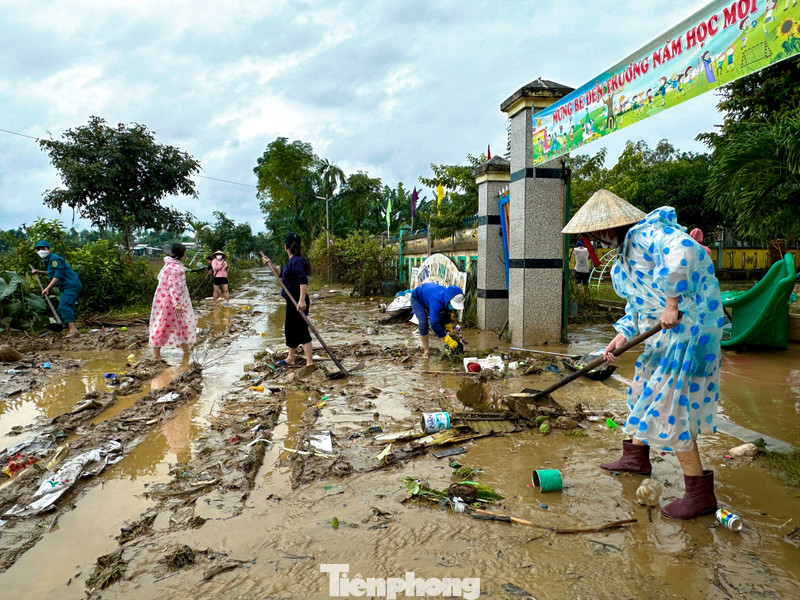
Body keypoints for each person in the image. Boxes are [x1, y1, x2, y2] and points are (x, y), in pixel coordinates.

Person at [562, 190, 724, 520]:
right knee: (643, 390)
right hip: (663, 337)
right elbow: (637, 308)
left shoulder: (649, 233)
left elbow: (683, 251)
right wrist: (620, 338)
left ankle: (699, 493)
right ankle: (635, 457)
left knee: (670, 407)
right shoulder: (623, 258)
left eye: (596, 235)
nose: (596, 240)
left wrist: (671, 304)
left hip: (686, 332)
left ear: (608, 230)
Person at [261, 233, 313, 367]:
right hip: (292, 301)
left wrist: (301, 301)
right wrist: (270, 264)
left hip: (297, 301)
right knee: (290, 330)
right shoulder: (293, 261)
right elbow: (281, 274)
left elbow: (303, 281)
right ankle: (290, 358)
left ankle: (309, 362)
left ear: (286, 247)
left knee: (302, 330)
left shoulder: (295, 261)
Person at [149, 243, 197, 360]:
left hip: (163, 300)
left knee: (177, 324)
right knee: (166, 325)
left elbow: (160, 278)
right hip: (173, 303)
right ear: (183, 254)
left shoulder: (168, 265)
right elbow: (175, 287)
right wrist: (178, 303)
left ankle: (186, 351)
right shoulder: (176, 268)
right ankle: (156, 355)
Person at [31, 240, 82, 337]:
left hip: (71, 285)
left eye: (43, 248)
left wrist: (47, 288)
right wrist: (38, 272)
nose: (41, 251)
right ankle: (69, 330)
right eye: (38, 249)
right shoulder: (49, 261)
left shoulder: (55, 259)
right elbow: (52, 273)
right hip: (67, 286)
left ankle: (74, 331)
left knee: (64, 306)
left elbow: (58, 275)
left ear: (48, 249)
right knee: (61, 309)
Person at [409, 282, 465, 357]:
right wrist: (447, 339)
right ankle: (426, 351)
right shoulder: (436, 302)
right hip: (417, 298)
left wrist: (450, 330)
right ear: (449, 300)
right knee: (423, 322)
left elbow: (446, 314)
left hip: (429, 297)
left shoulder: (448, 297)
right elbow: (434, 323)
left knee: (442, 316)